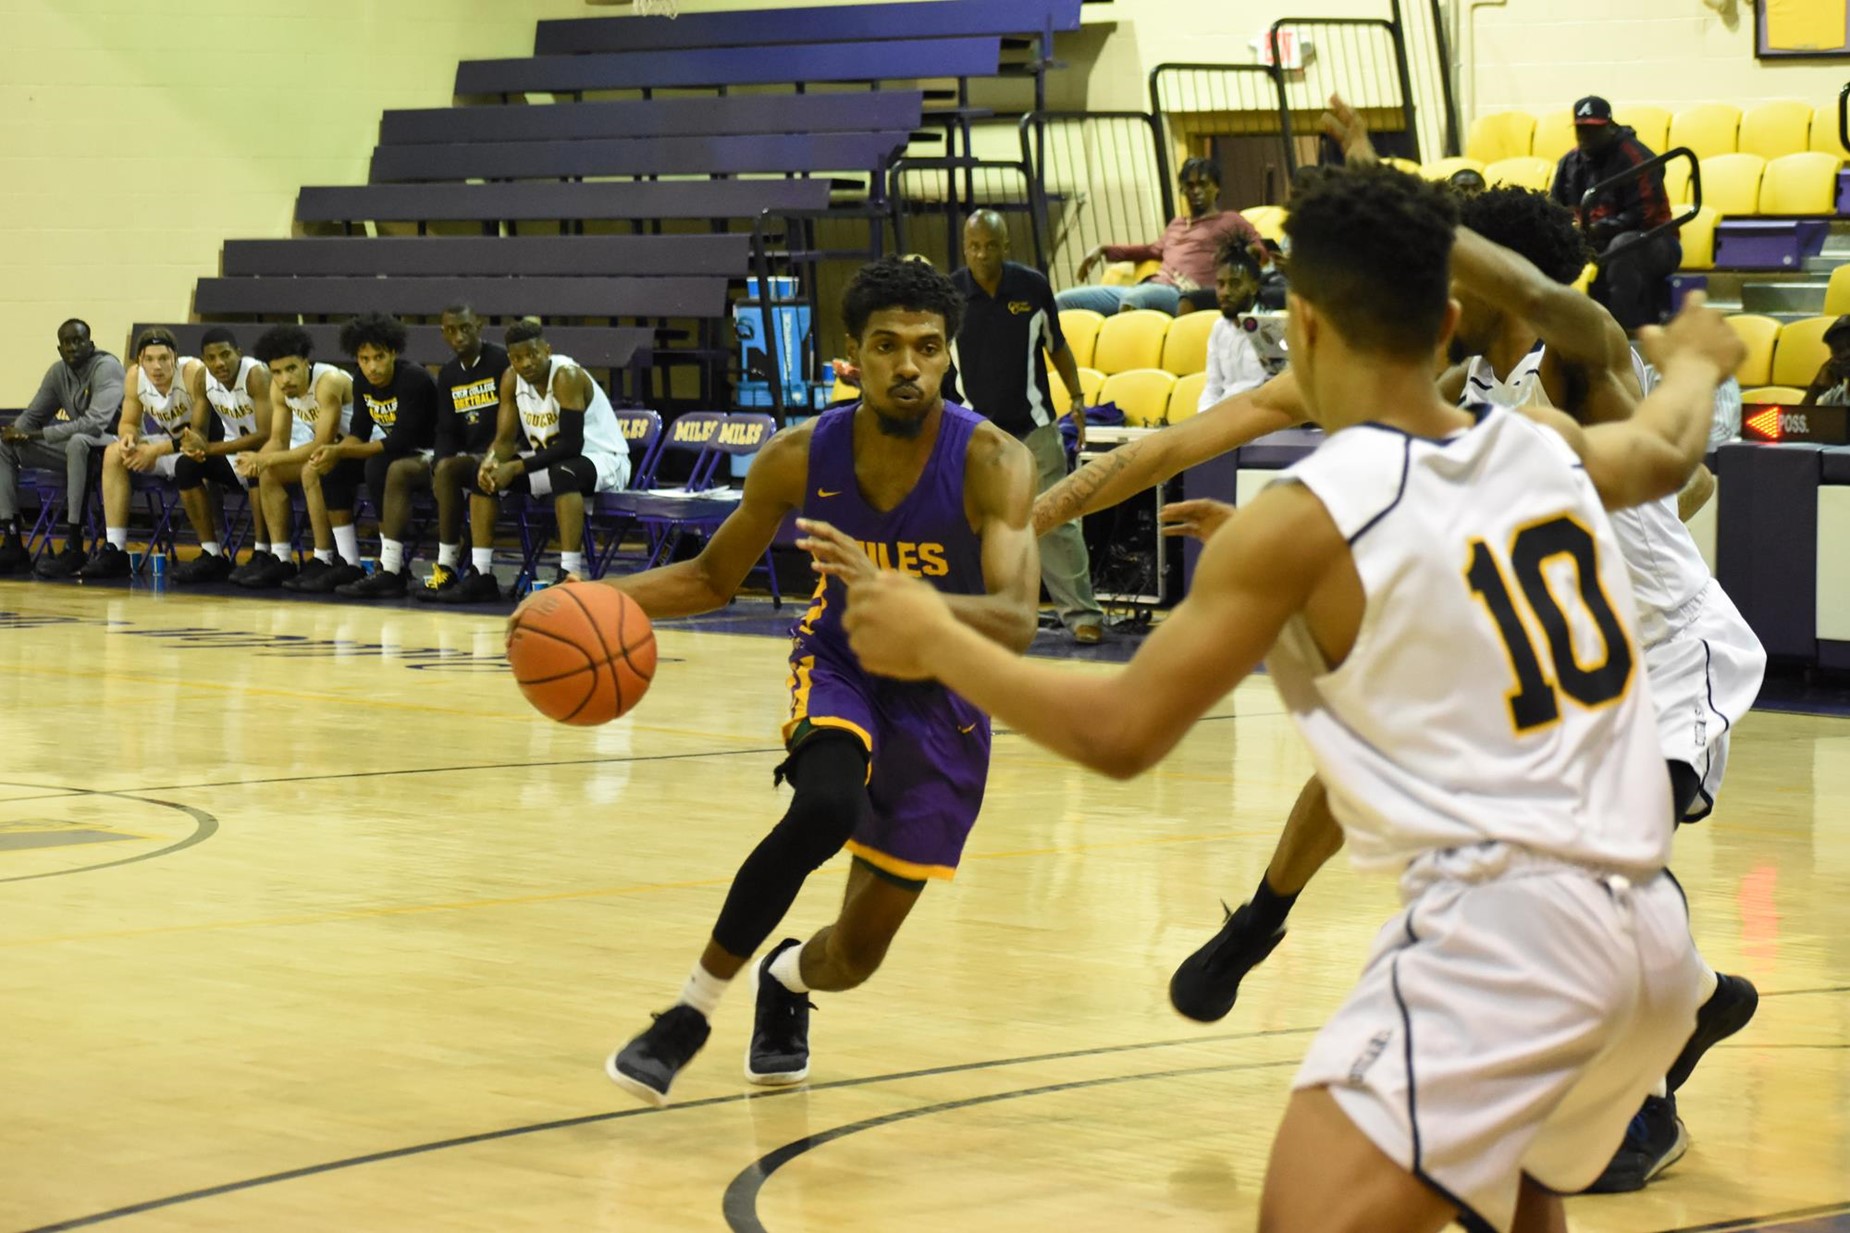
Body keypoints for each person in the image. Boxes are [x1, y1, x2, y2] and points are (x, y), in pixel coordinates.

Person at [840, 163, 1743, 1233]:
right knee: (1511, 1197)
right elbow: (1666, 452)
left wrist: (936, 636)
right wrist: (1692, 363)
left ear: (1299, 322)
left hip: (1508, 938)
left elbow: (1122, 732)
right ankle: (1273, 919)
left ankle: (1267, 918)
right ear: (1445, 321)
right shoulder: (1533, 445)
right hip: (1641, 942)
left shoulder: (1313, 512)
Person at [591, 256, 1039, 1108]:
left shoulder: (994, 460)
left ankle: (788, 977)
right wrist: (582, 598)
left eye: (927, 348)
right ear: (853, 356)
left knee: (856, 958)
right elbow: (710, 579)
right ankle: (687, 1013)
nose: (909, 365)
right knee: (825, 804)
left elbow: (1017, 619)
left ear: (948, 355)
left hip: (945, 698)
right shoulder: (798, 456)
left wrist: (903, 597)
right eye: (888, 346)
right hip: (840, 665)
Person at [949, 211, 1104, 643]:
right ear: (965, 248)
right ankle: (979, 614)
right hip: (974, 432)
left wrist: (1076, 397)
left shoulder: (1032, 288)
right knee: (968, 526)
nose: (982, 254)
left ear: (1006, 246)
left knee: (1057, 520)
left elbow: (1058, 346)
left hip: (1034, 426)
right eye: (974, 246)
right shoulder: (951, 295)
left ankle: (1082, 614)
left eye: (990, 245)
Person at [471, 320, 630, 591]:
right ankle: (481, 574)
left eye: (533, 354)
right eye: (519, 358)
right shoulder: (511, 379)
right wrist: (491, 463)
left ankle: (571, 573)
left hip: (603, 459)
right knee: (485, 479)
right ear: (511, 359)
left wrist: (517, 468)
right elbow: (505, 440)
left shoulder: (566, 376)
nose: (527, 363)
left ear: (547, 350)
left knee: (563, 472)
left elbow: (571, 446)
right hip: (551, 460)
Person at [230, 326, 357, 590]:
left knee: (310, 469)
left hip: (360, 448)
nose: (284, 378)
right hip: (331, 452)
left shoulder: (328, 382)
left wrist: (266, 459)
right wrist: (255, 460)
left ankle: (324, 557)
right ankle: (281, 557)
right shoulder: (279, 391)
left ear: (305, 363)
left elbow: (321, 443)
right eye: (276, 372)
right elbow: (278, 440)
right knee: (269, 474)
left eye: (291, 369)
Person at [326, 314, 440, 599]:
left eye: (378, 357)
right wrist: (333, 453)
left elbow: (401, 440)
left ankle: (391, 568)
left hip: (431, 453)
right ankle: (349, 562)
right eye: (364, 359)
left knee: (379, 466)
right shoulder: (361, 383)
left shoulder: (414, 378)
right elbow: (359, 433)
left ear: (393, 352)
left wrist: (340, 449)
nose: (372, 366)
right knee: (334, 470)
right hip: (395, 453)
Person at [1057, 158, 1261, 316]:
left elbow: (1258, 245)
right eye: (1189, 186)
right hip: (1151, 286)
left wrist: (1251, 254)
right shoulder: (1177, 224)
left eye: (1202, 184)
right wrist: (1102, 250)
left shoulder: (1230, 220)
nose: (1195, 191)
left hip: (1182, 293)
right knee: (1064, 301)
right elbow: (1150, 250)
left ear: (1216, 187)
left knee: (1135, 298)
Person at [82, 328, 210, 579]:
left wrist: (153, 452)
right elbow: (128, 423)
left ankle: (211, 552)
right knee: (114, 452)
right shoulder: (134, 377)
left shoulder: (193, 372)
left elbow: (198, 434)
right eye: (149, 359)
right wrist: (130, 438)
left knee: (191, 463)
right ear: (139, 361)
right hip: (168, 446)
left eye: (163, 358)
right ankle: (116, 549)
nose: (157, 367)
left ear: (175, 357)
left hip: (203, 447)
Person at [0, 320, 125, 577]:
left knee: (79, 441)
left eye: (78, 341)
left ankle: (74, 545)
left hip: (117, 447)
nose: (73, 347)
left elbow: (94, 424)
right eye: (67, 343)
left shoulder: (107, 367)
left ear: (90, 344)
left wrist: (34, 434)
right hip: (77, 450)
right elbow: (31, 417)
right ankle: (12, 542)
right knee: (4, 446)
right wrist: (14, 432)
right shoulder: (58, 372)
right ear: (59, 349)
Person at [1550, 95, 1680, 333]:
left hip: (1654, 240)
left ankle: (1623, 333)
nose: (1585, 136)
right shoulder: (1569, 162)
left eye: (1593, 129)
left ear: (1609, 126)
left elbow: (1646, 214)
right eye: (1581, 129)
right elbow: (1555, 209)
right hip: (1594, 240)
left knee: (1622, 246)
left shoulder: (1635, 156)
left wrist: (1599, 228)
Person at [420, 304, 510, 603]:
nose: (458, 336)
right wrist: (439, 460)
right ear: (443, 333)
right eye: (450, 330)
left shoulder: (501, 361)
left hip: (505, 453)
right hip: (471, 456)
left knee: (450, 470)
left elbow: (514, 422)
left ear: (479, 326)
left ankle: (454, 564)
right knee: (443, 468)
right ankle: (446, 568)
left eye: (465, 328)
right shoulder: (447, 374)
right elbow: (446, 430)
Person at [170, 328, 273, 583]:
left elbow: (265, 434)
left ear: (238, 353)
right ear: (204, 360)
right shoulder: (204, 378)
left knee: (255, 464)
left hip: (277, 450)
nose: (219, 362)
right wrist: (193, 443)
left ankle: (263, 553)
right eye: (212, 357)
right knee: (186, 466)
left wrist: (209, 448)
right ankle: (211, 553)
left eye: (225, 354)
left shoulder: (255, 374)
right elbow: (198, 429)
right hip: (234, 452)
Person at [1200, 237, 1270, 412]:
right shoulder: (1219, 328)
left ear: (1254, 287)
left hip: (1261, 417)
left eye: (1235, 284)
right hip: (1225, 418)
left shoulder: (1272, 327)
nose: (1225, 292)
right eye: (1221, 284)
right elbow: (1212, 387)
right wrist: (1202, 420)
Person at [1799, 315, 1850, 406]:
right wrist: (1814, 390)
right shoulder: (1836, 396)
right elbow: (1801, 418)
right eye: (1838, 350)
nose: (1846, 354)